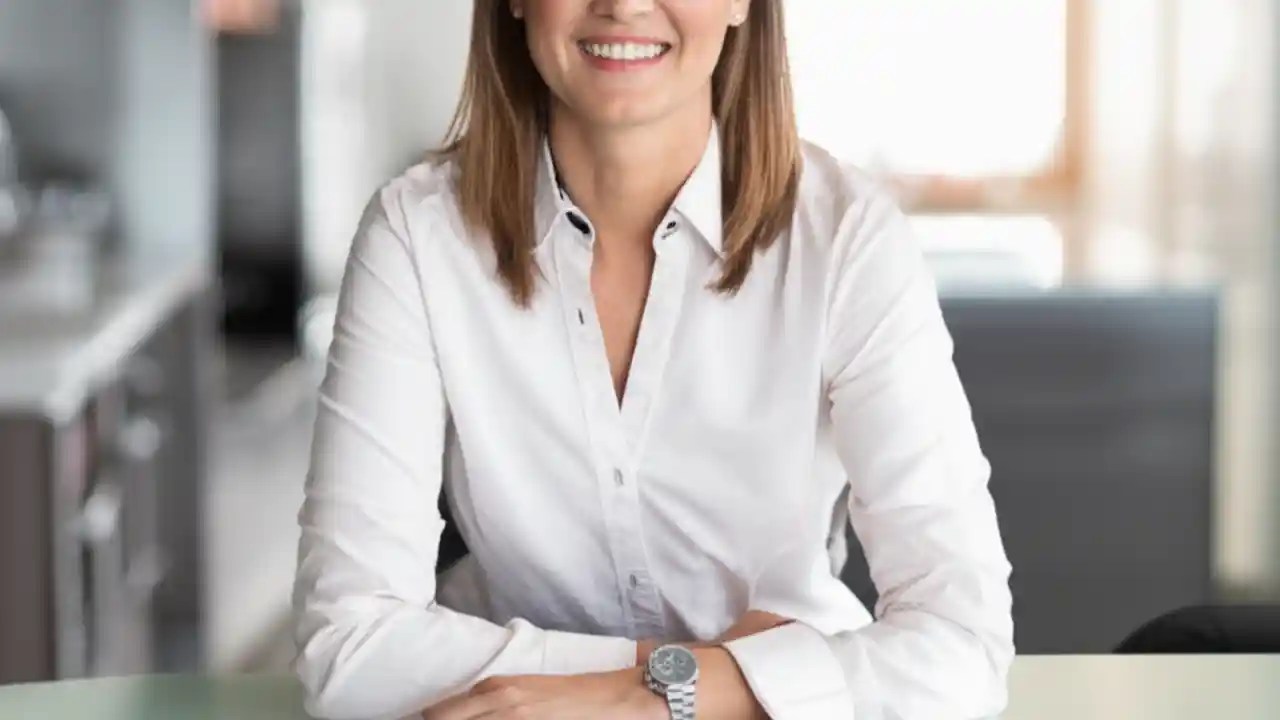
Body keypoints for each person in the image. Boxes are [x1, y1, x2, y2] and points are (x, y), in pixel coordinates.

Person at [292, 1, 1014, 718]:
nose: (624, 6)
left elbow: (961, 648)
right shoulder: (415, 234)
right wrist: (722, 681)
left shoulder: (847, 237)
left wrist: (640, 699)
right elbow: (349, 647)